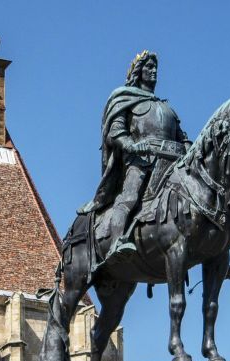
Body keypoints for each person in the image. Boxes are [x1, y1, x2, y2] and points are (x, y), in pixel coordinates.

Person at [81, 50, 191, 264]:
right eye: (149, 67)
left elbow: (182, 137)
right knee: (129, 197)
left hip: (173, 163)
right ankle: (116, 243)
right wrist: (132, 145)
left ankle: (208, 247)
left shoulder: (167, 108)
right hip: (142, 161)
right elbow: (116, 131)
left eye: (155, 68)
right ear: (139, 72)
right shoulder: (127, 100)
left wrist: (192, 149)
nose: (154, 71)